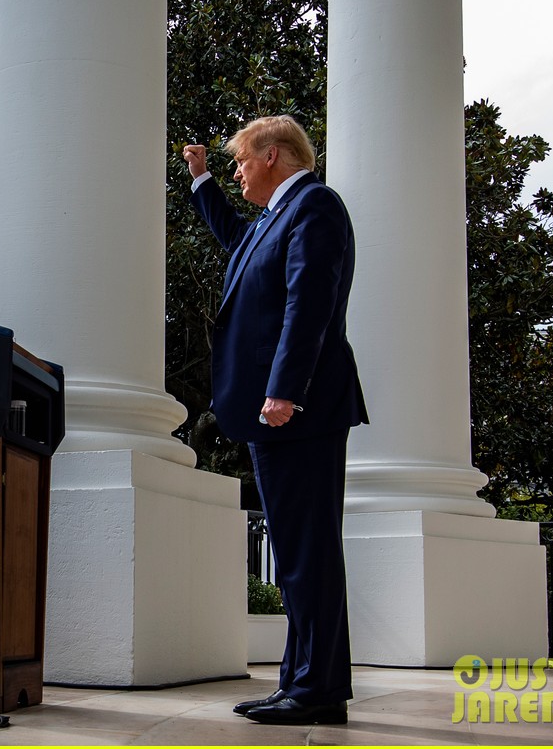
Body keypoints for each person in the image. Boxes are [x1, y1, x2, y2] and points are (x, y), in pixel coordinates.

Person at [181, 115, 368, 726]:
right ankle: (301, 681)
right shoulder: (273, 220)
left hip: (297, 410)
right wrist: (202, 181)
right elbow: (239, 241)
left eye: (239, 162)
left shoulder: (315, 206)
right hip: (277, 413)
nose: (237, 173)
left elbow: (308, 302)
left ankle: (319, 689)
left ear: (272, 155)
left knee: (308, 550)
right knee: (293, 551)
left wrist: (285, 389)